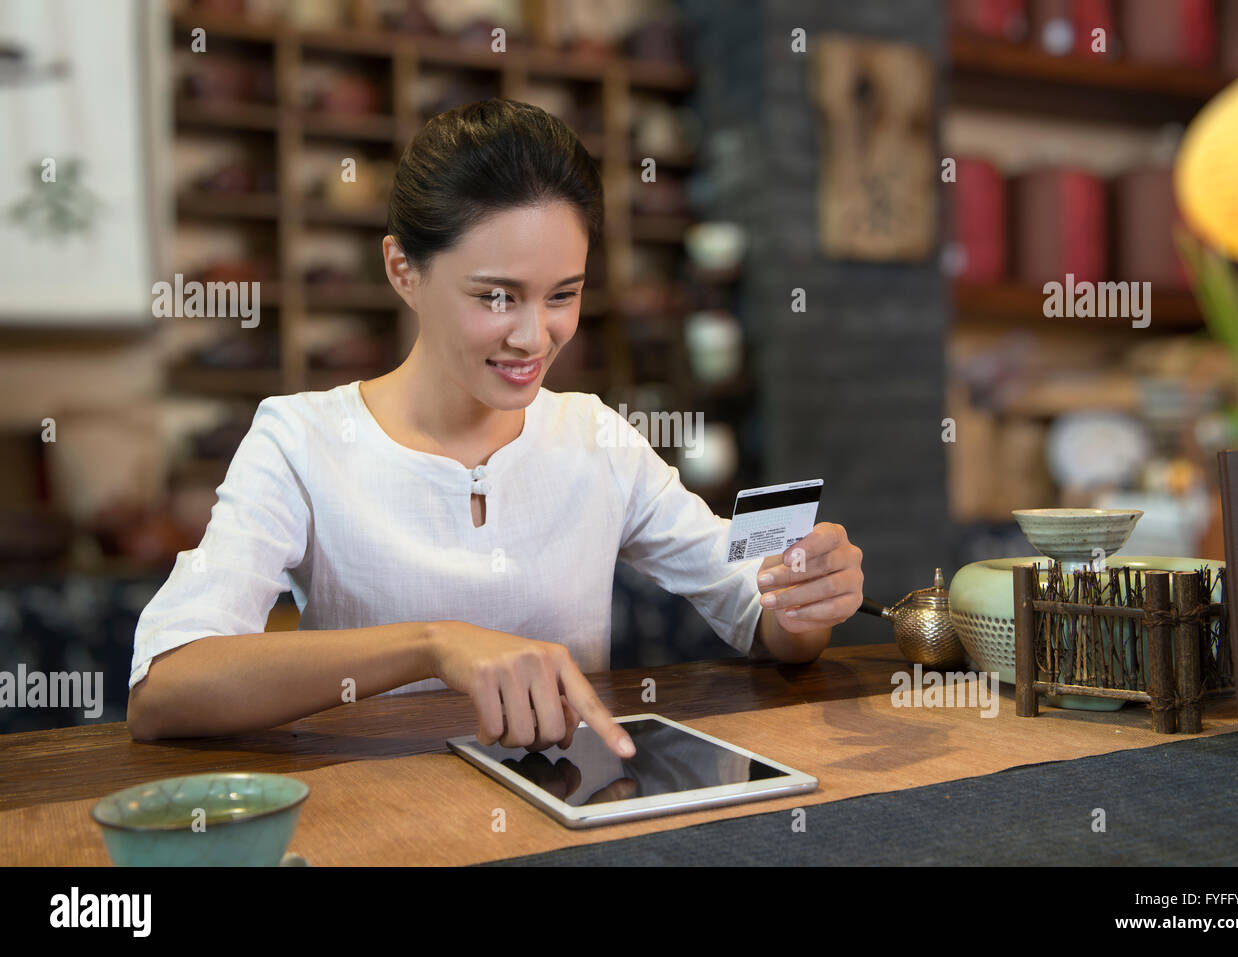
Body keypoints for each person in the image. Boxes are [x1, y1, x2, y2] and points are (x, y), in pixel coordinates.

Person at [126, 98, 864, 757]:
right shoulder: (301, 441)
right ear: (402, 270)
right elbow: (167, 686)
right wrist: (435, 645)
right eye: (497, 296)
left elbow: (760, 615)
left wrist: (806, 597)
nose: (534, 336)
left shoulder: (595, 437)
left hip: (572, 820)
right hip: (377, 830)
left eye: (562, 295)